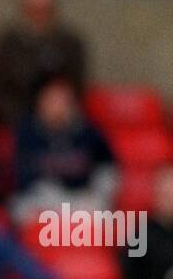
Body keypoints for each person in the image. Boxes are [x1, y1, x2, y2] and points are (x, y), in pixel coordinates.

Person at [11, 74, 117, 225]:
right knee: (20, 209)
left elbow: (107, 169)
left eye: (63, 101)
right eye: (52, 101)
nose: (58, 107)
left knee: (100, 210)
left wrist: (97, 193)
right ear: (39, 103)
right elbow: (23, 181)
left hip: (81, 199)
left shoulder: (88, 132)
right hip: (43, 199)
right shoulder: (27, 134)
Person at [0, 0, 86, 127]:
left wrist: (58, 109)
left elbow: (76, 87)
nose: (38, 15)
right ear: (23, 8)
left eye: (44, 8)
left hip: (62, 121)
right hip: (17, 121)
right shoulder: (7, 44)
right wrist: (22, 120)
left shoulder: (70, 43)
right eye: (33, 8)